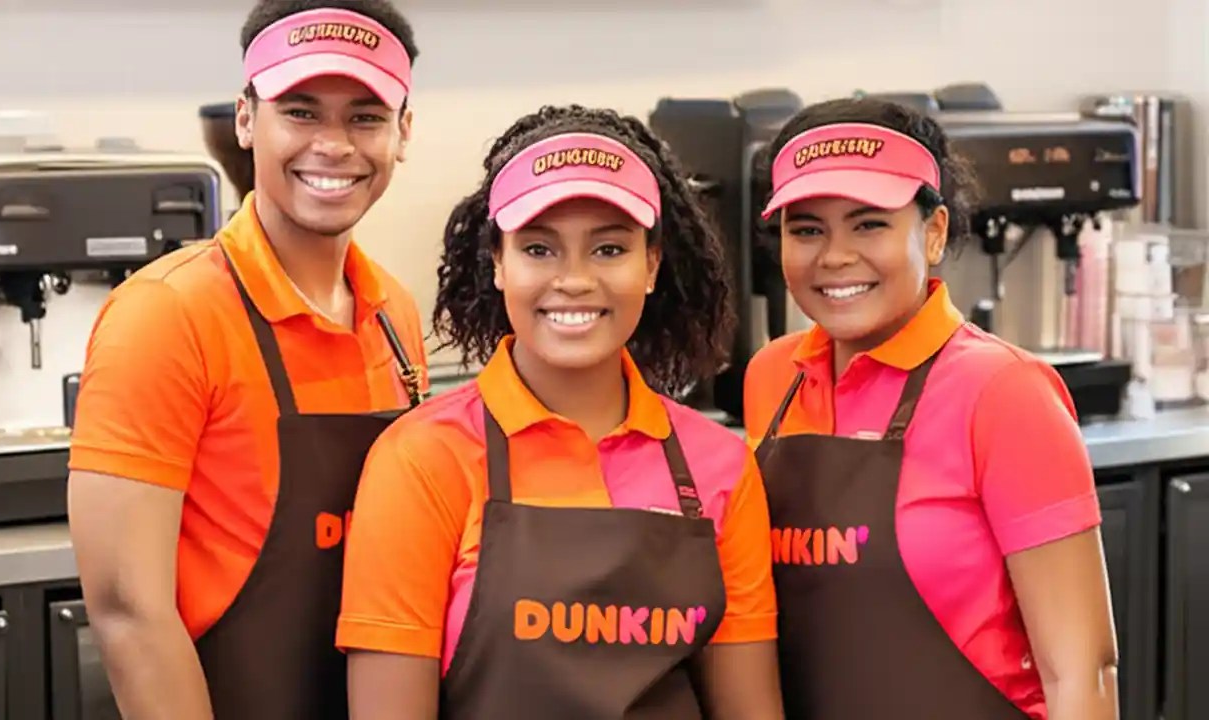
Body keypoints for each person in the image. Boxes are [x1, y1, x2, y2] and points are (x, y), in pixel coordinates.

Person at [338, 105, 784, 719]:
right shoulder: (421, 460)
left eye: (607, 248)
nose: (574, 280)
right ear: (497, 262)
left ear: (652, 265)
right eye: (540, 249)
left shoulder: (719, 466)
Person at [66, 1, 427, 718]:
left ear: (403, 132)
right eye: (299, 112)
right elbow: (126, 611)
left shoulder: (395, 314)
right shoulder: (166, 316)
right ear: (244, 119)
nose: (334, 145)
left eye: (364, 116)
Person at [745, 97, 1118, 720]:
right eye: (807, 229)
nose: (835, 256)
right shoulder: (771, 379)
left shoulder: (1004, 391)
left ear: (935, 231)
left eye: (869, 224)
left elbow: (1083, 671)